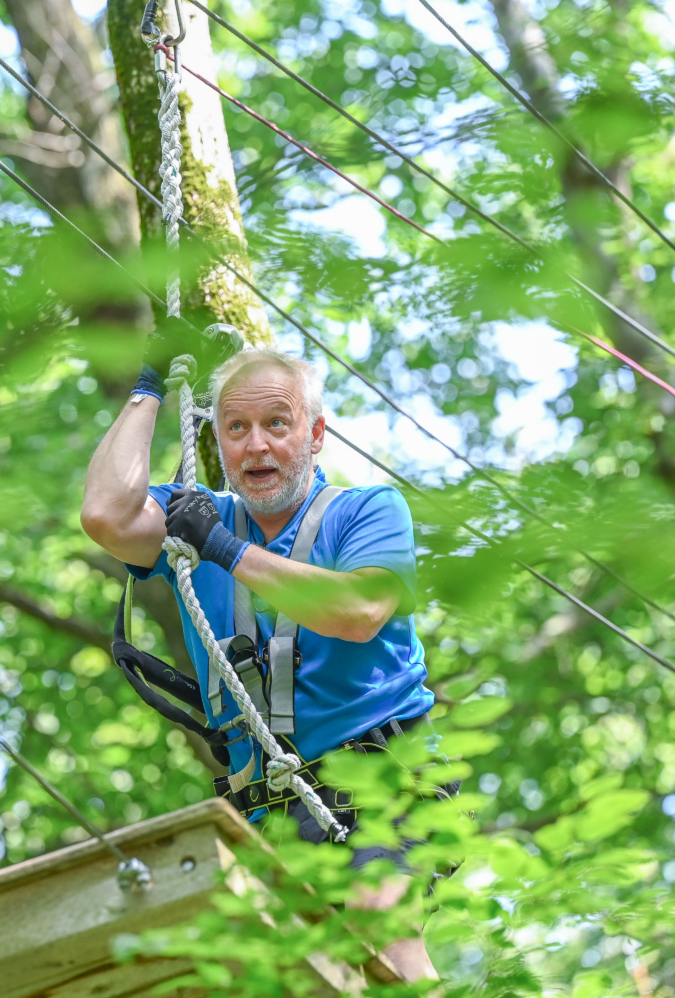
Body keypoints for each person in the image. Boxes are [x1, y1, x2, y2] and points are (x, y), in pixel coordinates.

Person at [80, 330, 444, 980]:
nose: (257, 445)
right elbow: (107, 513)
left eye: (278, 423)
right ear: (217, 445)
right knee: (288, 974)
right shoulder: (195, 515)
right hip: (269, 798)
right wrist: (149, 384)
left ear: (315, 434)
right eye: (236, 428)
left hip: (381, 769)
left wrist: (224, 549)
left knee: (382, 931)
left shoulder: (366, 512)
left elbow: (357, 612)